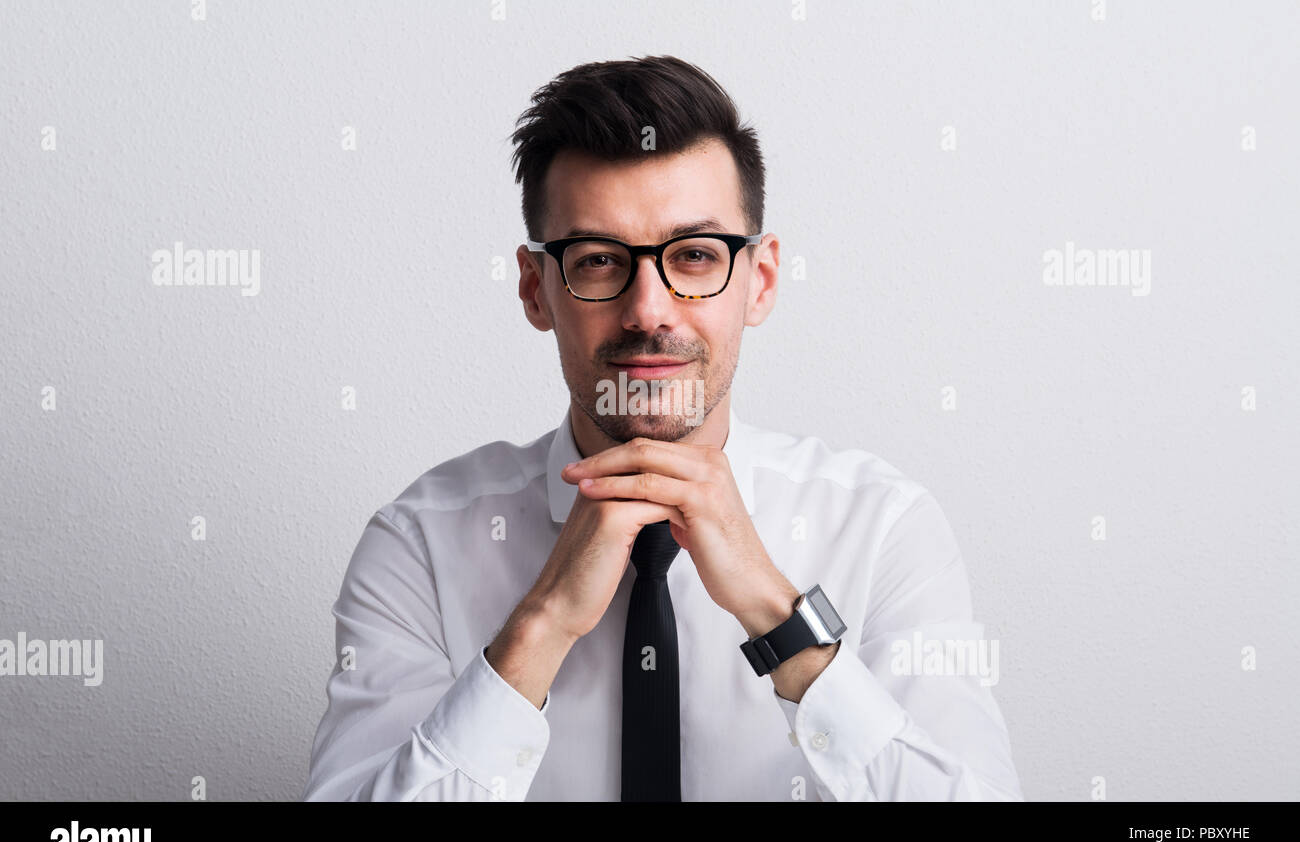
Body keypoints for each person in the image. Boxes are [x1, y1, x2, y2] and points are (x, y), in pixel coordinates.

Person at [302, 55, 1022, 801]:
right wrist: (538, 628)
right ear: (534, 288)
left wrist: (780, 618)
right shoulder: (420, 545)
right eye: (601, 260)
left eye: (696, 255)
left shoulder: (883, 531)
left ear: (761, 281)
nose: (649, 309)